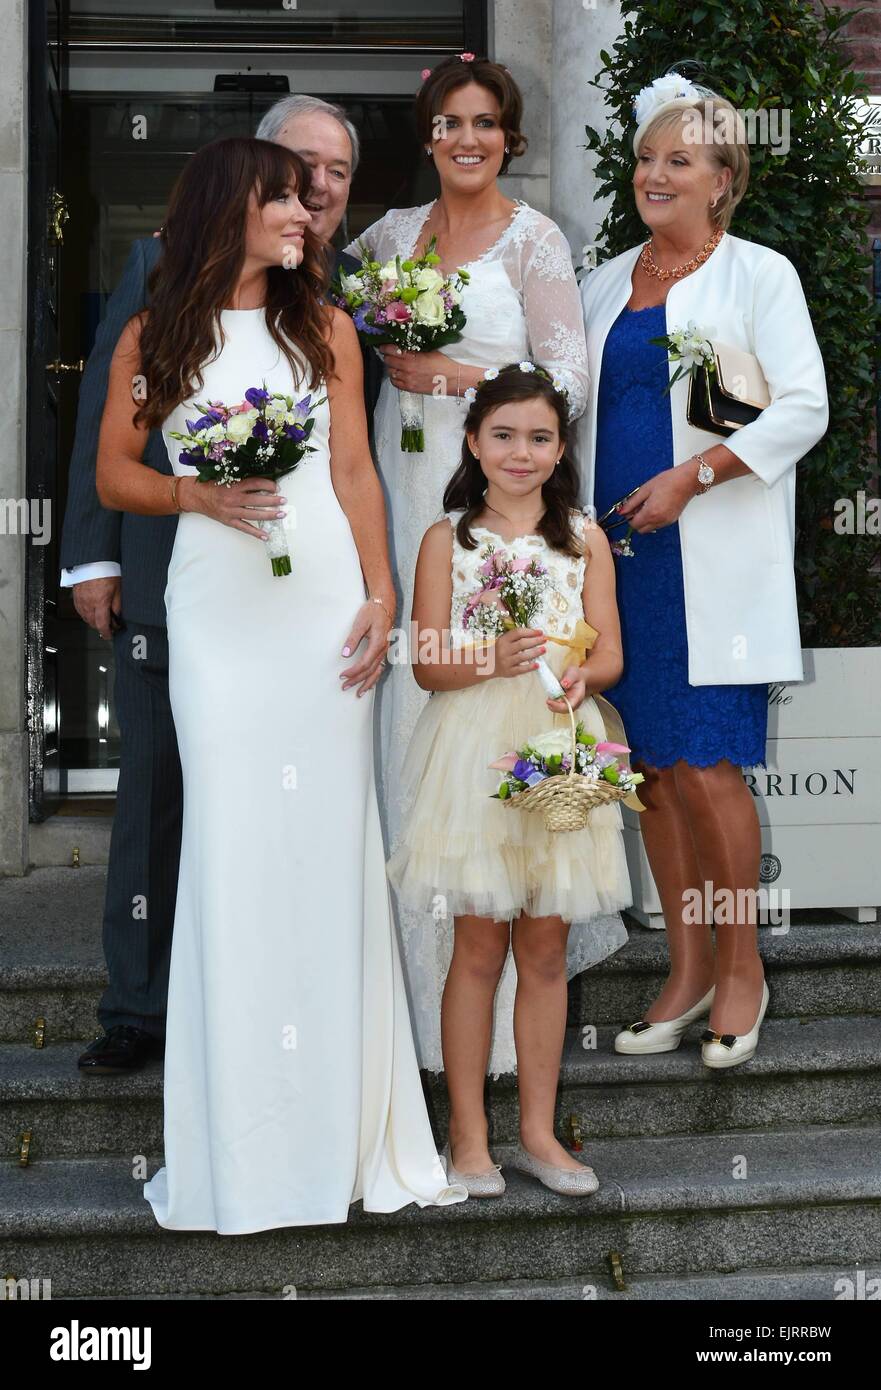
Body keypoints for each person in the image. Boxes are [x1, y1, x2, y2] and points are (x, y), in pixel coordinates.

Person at [94, 135, 467, 1231]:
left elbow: (351, 467)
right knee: (233, 847)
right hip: (217, 613)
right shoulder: (154, 332)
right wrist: (193, 500)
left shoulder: (328, 329)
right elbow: (118, 469)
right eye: (280, 201)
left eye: (305, 203)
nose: (302, 216)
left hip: (318, 615)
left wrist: (383, 595)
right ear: (227, 208)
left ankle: (339, 1134)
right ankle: (240, 1145)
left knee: (323, 849)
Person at [60, 94, 378, 1074]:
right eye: (292, 170)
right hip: (182, 577)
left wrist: (385, 586)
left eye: (330, 173)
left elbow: (354, 462)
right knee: (160, 791)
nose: (313, 189)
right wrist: (94, 554)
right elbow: (103, 439)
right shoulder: (157, 281)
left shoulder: (351, 294)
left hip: (312, 585)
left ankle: (300, 1010)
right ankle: (145, 1010)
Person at [344, 54, 625, 1076]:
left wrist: (460, 379)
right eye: (449, 122)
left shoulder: (533, 239)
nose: (467, 137)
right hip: (407, 502)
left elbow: (568, 384)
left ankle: (508, 1052)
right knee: (417, 728)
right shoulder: (379, 243)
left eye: (484, 122)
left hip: (499, 509)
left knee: (504, 725)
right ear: (425, 136)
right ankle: (409, 1034)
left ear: (508, 136)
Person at [579, 73, 828, 1068]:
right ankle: (683, 969)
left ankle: (739, 968)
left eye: (677, 160)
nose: (654, 174)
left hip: (708, 560)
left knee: (706, 767)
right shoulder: (601, 282)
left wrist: (695, 475)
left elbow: (801, 407)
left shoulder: (757, 275)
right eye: (645, 158)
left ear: (722, 179)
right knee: (650, 771)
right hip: (620, 564)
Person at [386, 363, 632, 1195]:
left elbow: (608, 652)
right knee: (478, 945)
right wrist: (485, 657)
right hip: (472, 753)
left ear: (561, 448)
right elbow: (425, 660)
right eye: (503, 436)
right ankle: (467, 1136)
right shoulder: (445, 540)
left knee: (547, 946)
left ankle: (536, 1132)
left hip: (560, 743)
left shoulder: (584, 539)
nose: (520, 453)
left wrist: (582, 680)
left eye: (538, 437)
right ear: (472, 442)